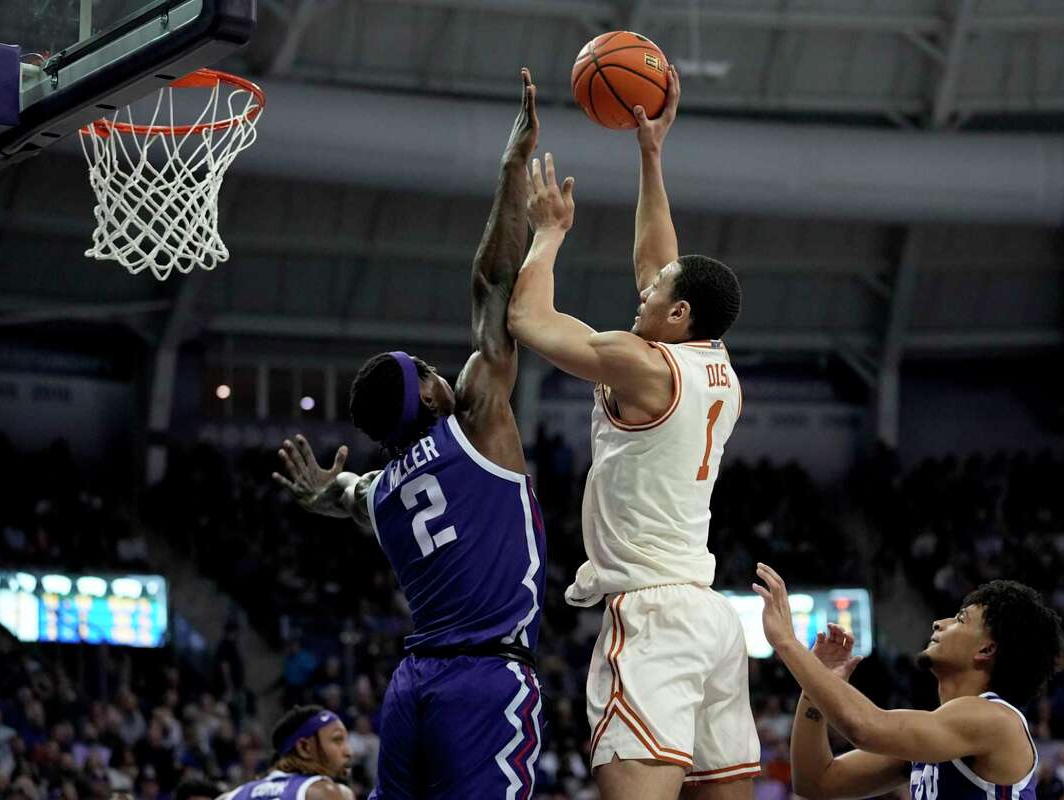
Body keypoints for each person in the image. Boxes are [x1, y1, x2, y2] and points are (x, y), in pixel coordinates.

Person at [272, 68, 546, 799]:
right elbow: (492, 283)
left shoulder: (384, 493)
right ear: (428, 391)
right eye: (427, 368)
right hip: (483, 681)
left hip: (410, 691)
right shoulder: (479, 420)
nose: (439, 369)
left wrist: (323, 492)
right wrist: (511, 170)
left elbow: (346, 498)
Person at [507, 65, 757, 799]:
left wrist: (548, 233)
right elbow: (659, 260)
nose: (644, 286)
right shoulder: (716, 364)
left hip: (651, 613)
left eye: (656, 294)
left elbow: (530, 321)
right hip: (711, 617)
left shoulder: (639, 363)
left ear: (677, 316)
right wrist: (651, 158)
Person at [752, 565, 1064, 800]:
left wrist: (787, 643)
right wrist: (813, 691)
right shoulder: (941, 734)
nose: (939, 622)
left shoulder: (995, 720)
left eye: (960, 619)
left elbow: (865, 727)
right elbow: (815, 781)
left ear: (986, 649)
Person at [216, 706, 352, 800]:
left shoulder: (230, 796)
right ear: (304, 747)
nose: (348, 752)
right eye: (337, 740)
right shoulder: (327, 792)